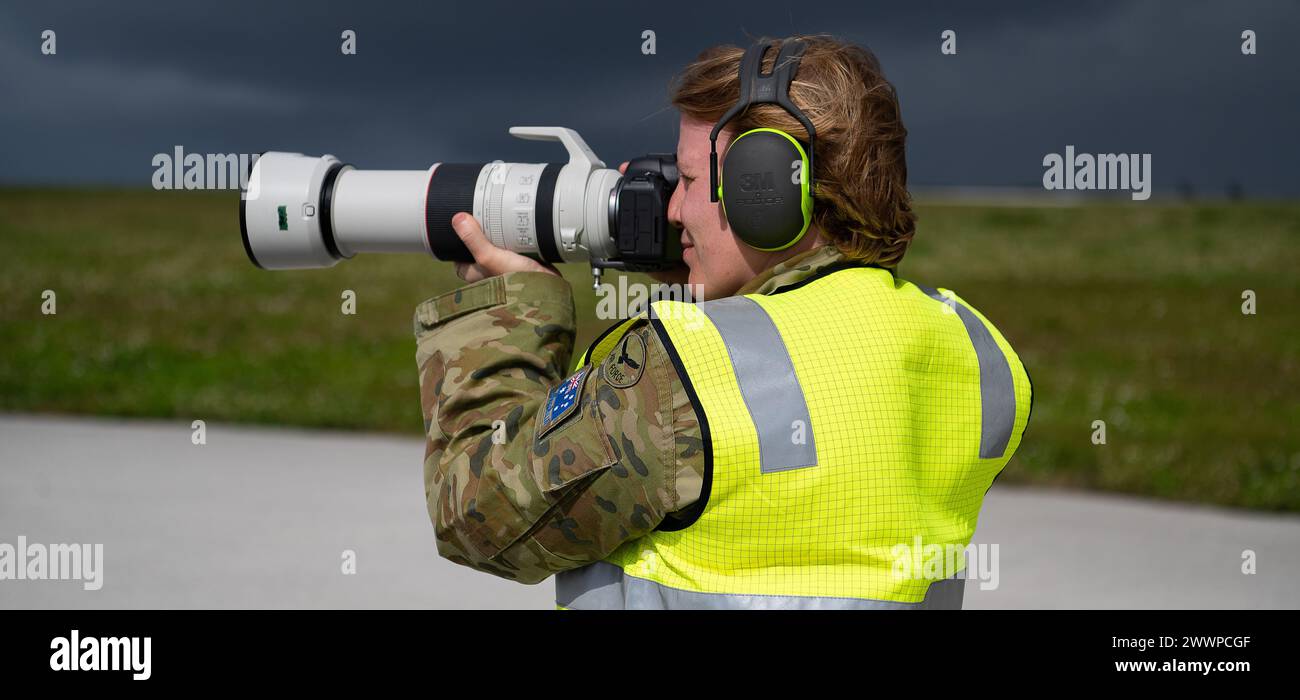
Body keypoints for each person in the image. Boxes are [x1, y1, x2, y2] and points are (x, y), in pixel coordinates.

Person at [412, 34, 1032, 609]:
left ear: (764, 189)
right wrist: (723, 295)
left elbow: (473, 516)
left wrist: (511, 314)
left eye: (686, 180)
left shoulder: (685, 374)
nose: (673, 209)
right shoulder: (972, 351)